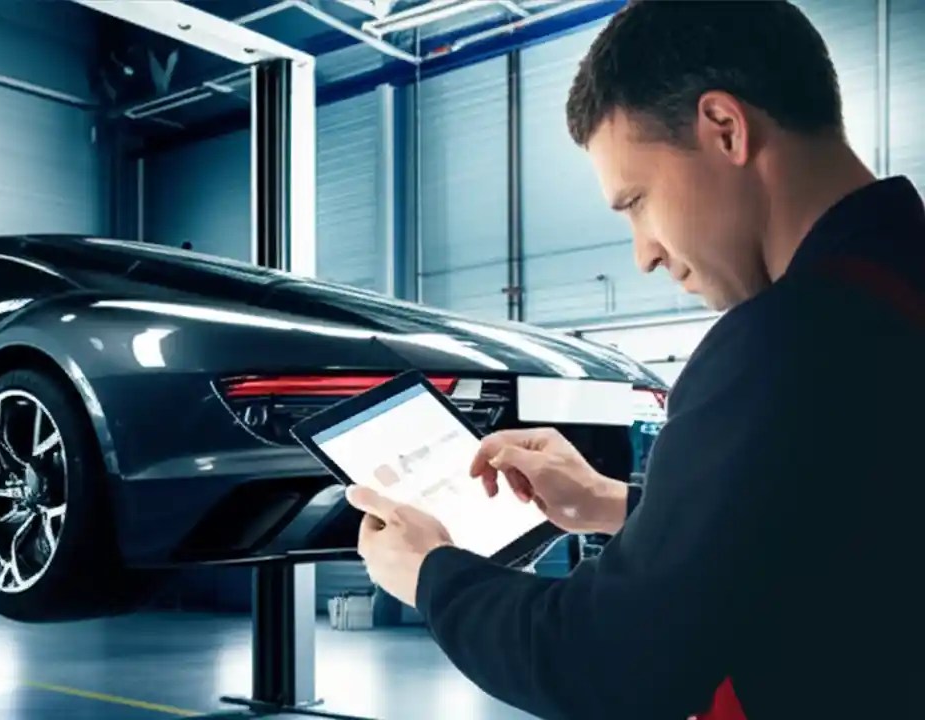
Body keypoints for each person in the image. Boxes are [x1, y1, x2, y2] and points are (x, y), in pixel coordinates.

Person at [343, 2, 924, 719]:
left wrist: (430, 572)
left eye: (637, 202)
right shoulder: (896, 290)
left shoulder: (784, 340)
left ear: (725, 129)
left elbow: (606, 664)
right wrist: (609, 504)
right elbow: (836, 534)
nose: (644, 253)